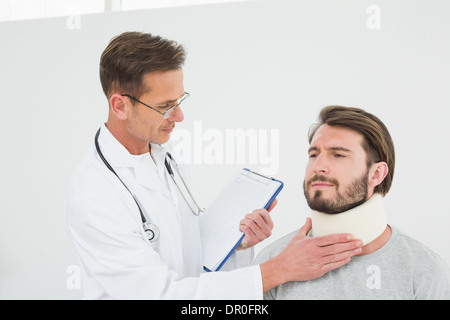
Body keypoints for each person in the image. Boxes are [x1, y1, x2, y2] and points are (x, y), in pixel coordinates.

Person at [64, 32, 362, 299]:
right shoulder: (95, 195)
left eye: (180, 100)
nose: (179, 116)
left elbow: (190, 262)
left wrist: (236, 246)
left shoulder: (166, 155)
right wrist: (279, 270)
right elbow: (161, 294)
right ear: (120, 106)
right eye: (165, 106)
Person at [255, 105, 450, 299]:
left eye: (338, 155)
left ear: (376, 174)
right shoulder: (273, 263)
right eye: (314, 154)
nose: (318, 166)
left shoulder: (424, 271)